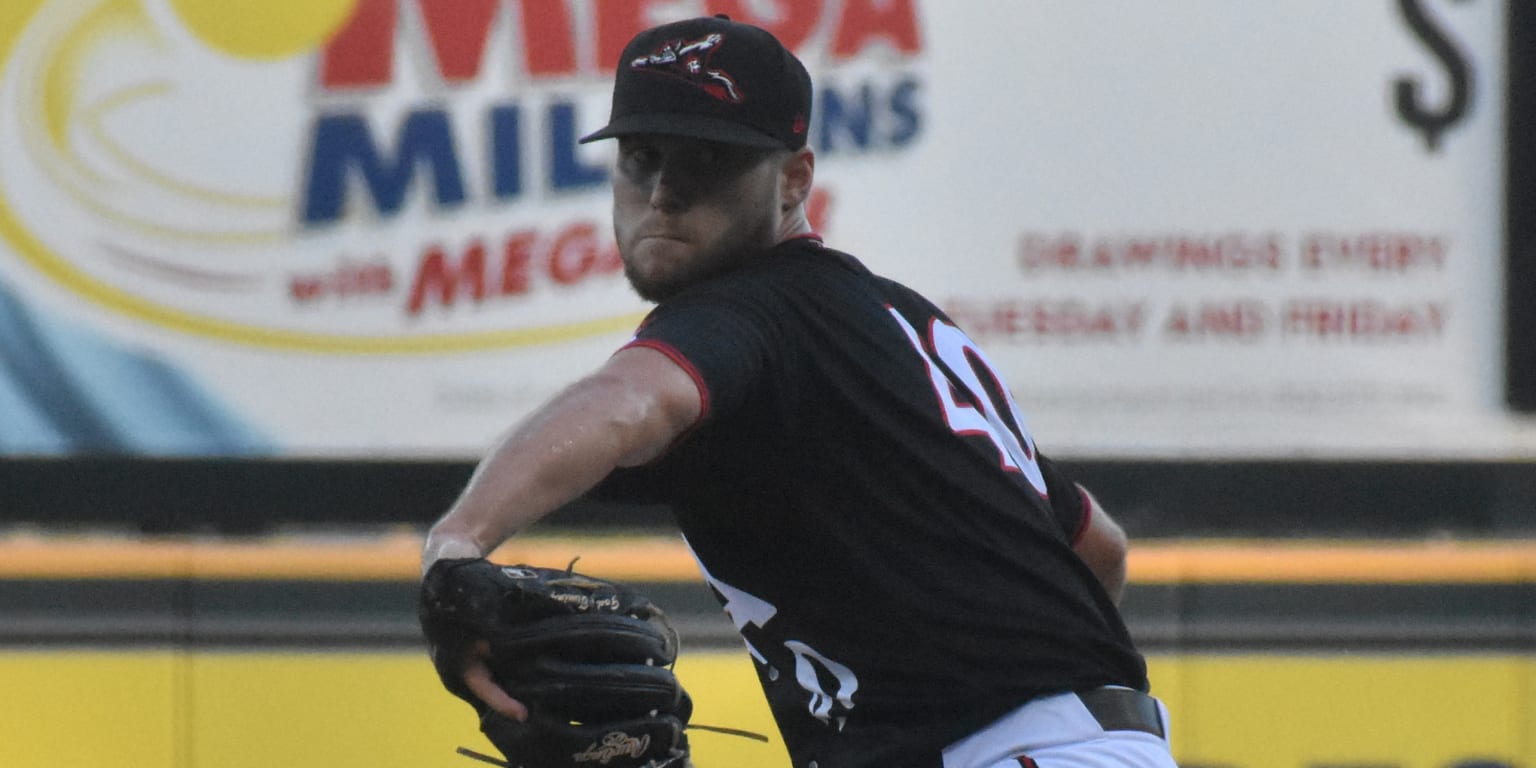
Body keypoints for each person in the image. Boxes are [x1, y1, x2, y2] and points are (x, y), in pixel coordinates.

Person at [422, 14, 1177, 768]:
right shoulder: (878, 322)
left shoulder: (759, 310)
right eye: (643, 157)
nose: (663, 194)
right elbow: (1096, 549)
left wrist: (457, 544)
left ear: (794, 180)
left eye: (707, 161)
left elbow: (630, 402)